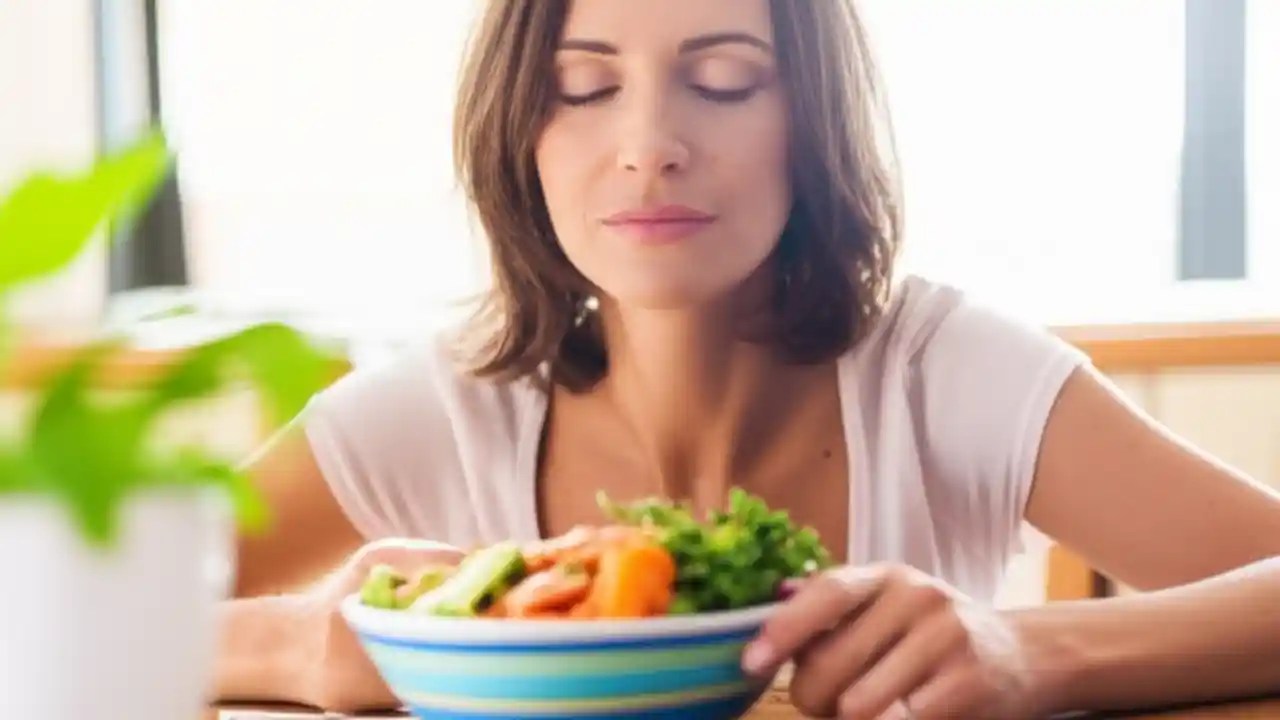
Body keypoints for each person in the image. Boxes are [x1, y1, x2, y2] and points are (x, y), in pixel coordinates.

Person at [216, 1, 1280, 717]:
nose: (648, 144)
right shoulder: (437, 409)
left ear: (814, 122)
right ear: (518, 136)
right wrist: (295, 643)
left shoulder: (942, 374)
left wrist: (1026, 652)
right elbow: (61, 621)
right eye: (582, 90)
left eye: (725, 80)